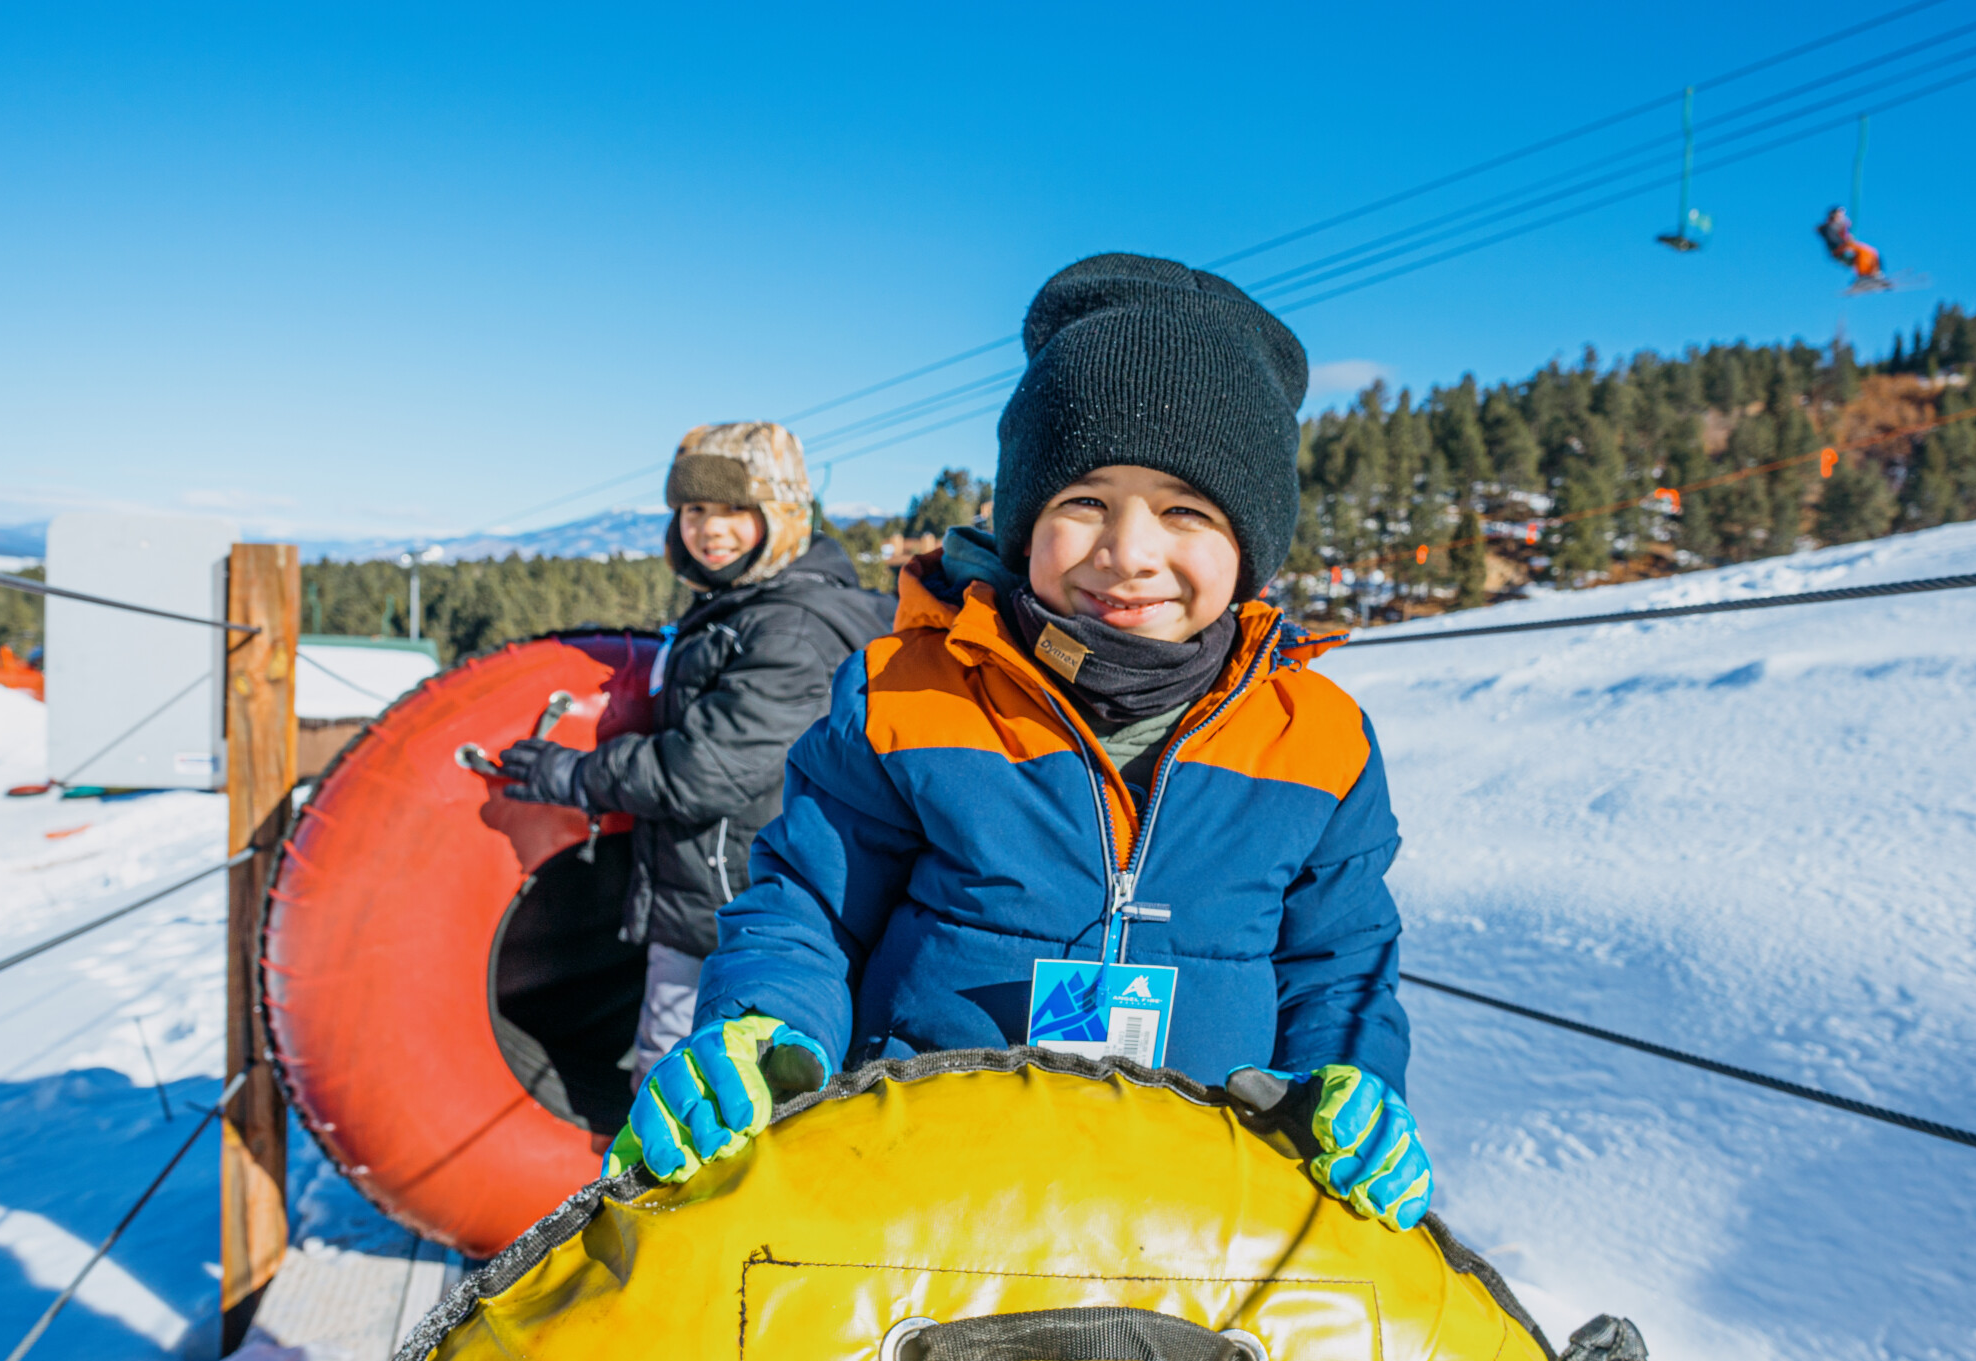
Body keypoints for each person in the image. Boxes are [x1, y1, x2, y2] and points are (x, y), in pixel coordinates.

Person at [608, 254, 1430, 1233]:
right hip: (917, 1200)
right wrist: (762, 1024)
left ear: (1250, 542)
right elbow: (808, 910)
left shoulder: (1318, 740)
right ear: (1022, 519)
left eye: (1185, 511)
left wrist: (1352, 1079)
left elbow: (1338, 964)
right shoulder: (900, 695)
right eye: (1083, 501)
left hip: (1199, 1224)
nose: (1128, 552)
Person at [496, 422, 892, 1085]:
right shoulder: (744, 607)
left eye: (734, 509)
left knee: (678, 1081)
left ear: (781, 512)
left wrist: (567, 772)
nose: (710, 529)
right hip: (715, 888)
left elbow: (703, 769)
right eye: (694, 509)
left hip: (735, 905)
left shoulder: (790, 626)